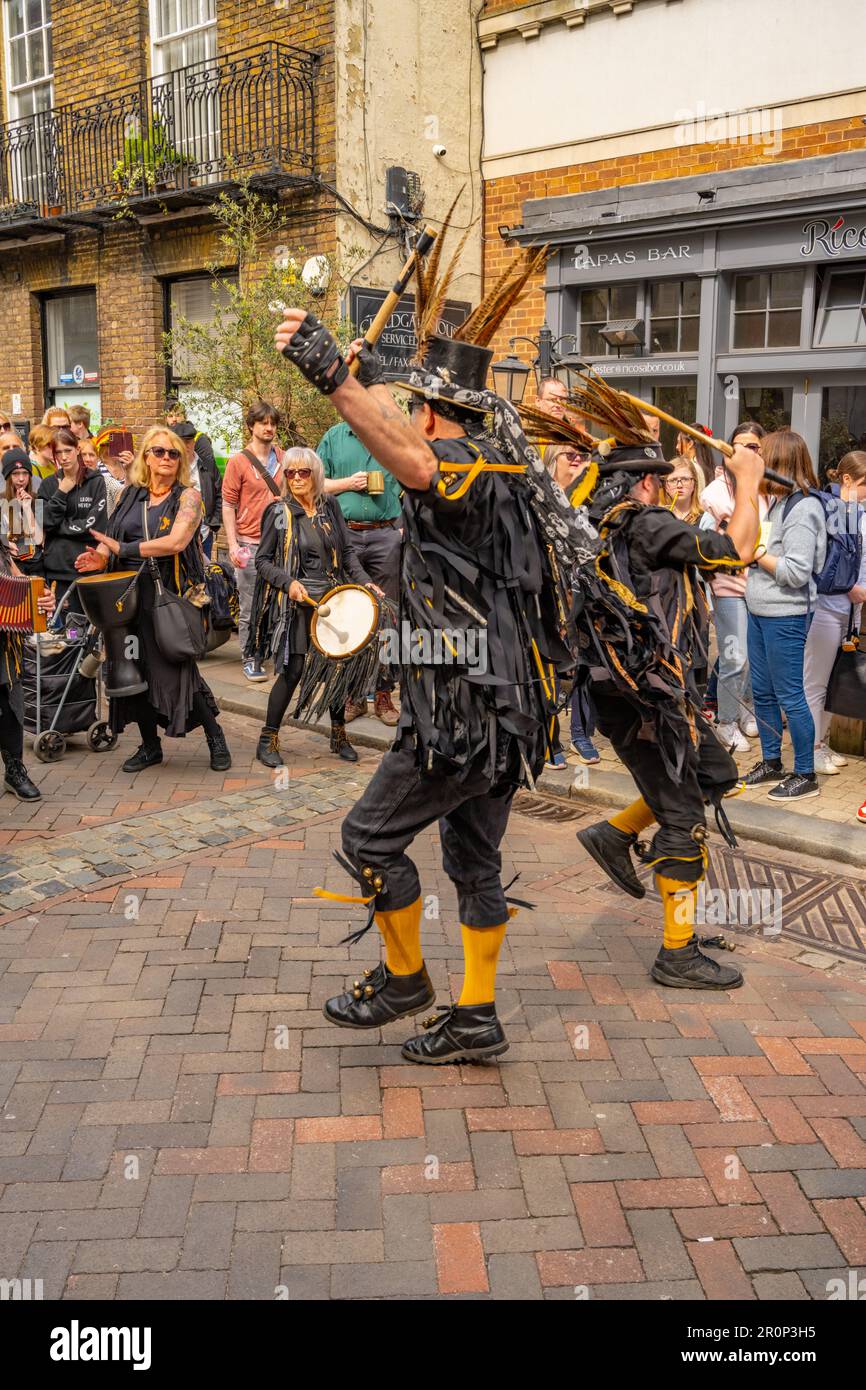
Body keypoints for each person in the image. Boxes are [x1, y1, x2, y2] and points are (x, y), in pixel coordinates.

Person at [274, 238, 588, 1063]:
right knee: (473, 860)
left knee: (368, 838)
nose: (408, 417)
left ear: (434, 415)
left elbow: (412, 460)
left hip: (460, 717)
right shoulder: (503, 463)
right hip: (499, 714)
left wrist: (336, 380)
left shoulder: (458, 463)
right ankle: (477, 1015)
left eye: (415, 406)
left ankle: (406, 978)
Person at [567, 377, 764, 991]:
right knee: (683, 813)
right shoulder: (647, 525)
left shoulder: (596, 521)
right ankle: (676, 952)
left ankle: (614, 831)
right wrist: (750, 482)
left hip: (634, 689)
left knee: (715, 773)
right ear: (648, 483)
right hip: (640, 696)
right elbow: (737, 550)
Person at [73, 426, 232, 774]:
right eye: (159, 451)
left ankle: (216, 737)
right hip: (125, 597)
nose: (166, 458)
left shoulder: (188, 497)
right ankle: (149, 746)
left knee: (179, 673)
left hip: (166, 596)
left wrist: (124, 549)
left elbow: (176, 542)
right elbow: (111, 536)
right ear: (146, 456)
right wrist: (99, 558)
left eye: (174, 453)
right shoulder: (132, 493)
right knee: (134, 672)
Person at [247, 448, 379, 768]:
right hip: (300, 603)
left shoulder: (329, 505)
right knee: (293, 672)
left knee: (335, 669)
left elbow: (347, 553)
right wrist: (288, 582)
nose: (295, 479)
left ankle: (338, 735)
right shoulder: (279, 511)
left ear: (316, 475)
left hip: (334, 599)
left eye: (303, 473)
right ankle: (268, 739)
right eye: (290, 473)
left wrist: (366, 582)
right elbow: (262, 561)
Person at [744, 429, 827, 801]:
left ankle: (805, 773)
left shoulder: (804, 507)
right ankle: (772, 761)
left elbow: (795, 571)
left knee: (790, 695)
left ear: (779, 462)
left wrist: (754, 553)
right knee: (763, 692)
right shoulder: (780, 502)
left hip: (786, 615)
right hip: (761, 611)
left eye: (763, 458)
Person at [318, 418, 402, 727]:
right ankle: (353, 694)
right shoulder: (334, 436)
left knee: (388, 616)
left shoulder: (388, 434)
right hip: (346, 534)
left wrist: (401, 528)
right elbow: (317, 483)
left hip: (385, 535)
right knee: (349, 614)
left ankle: (383, 693)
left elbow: (410, 480)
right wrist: (348, 484)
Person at [699, 422, 766, 753]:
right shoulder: (715, 491)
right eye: (741, 446)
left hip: (761, 584)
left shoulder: (764, 487)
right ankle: (725, 722)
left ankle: (744, 711)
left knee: (753, 655)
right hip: (728, 584)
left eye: (754, 447)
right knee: (733, 655)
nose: (747, 453)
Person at [803, 450, 866, 775]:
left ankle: (821, 742)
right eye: (865, 483)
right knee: (815, 682)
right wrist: (849, 588)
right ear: (846, 480)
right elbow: (822, 566)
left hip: (847, 610)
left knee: (831, 681)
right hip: (826, 609)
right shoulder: (830, 511)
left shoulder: (853, 512)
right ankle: (810, 749)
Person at [542, 444, 600, 762]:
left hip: (584, 589)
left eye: (582, 456)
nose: (578, 461)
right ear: (552, 463)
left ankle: (581, 732)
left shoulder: (588, 501)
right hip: (550, 589)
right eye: (570, 456)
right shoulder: (543, 499)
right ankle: (551, 738)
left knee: (584, 663)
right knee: (550, 663)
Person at [221, 402, 284, 681]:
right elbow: (227, 505)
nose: (269, 428)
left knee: (278, 603)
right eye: (263, 423)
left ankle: (273, 652)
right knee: (250, 604)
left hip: (280, 542)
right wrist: (233, 545)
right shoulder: (239, 462)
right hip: (250, 542)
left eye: (273, 423)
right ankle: (250, 655)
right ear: (251, 426)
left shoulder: (284, 457)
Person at [0, 529, 55, 800]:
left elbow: (16, 576)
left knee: (9, 699)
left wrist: (40, 596)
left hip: (5, 639)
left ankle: (14, 769)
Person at [38, 429, 108, 592]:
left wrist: (58, 527)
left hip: (88, 567)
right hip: (58, 570)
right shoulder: (47, 484)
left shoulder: (96, 481)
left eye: (68, 450)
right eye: (58, 452)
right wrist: (61, 493)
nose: (63, 457)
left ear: (77, 450)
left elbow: (95, 525)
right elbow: (43, 522)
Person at [174, 421, 222, 559]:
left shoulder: (207, 464)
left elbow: (219, 492)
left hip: (204, 533)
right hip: (178, 535)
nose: (185, 446)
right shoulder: (170, 467)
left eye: (188, 441)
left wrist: (214, 520)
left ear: (194, 442)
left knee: (203, 575)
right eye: (180, 442)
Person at [1, 448, 42, 571]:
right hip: (10, 566)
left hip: (35, 565)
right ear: (8, 476)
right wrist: (5, 542)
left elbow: (40, 540)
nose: (21, 479)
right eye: (15, 473)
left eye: (25, 473)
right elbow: (8, 537)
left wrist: (27, 508)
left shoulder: (38, 499)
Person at [663, 455, 704, 522]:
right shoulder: (660, 517)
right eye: (673, 480)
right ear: (666, 487)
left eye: (685, 479)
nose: (679, 485)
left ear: (694, 484)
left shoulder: (705, 519)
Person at [675, 424, 715, 489]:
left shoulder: (693, 468)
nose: (677, 447)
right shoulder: (704, 466)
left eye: (679, 442)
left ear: (690, 444)